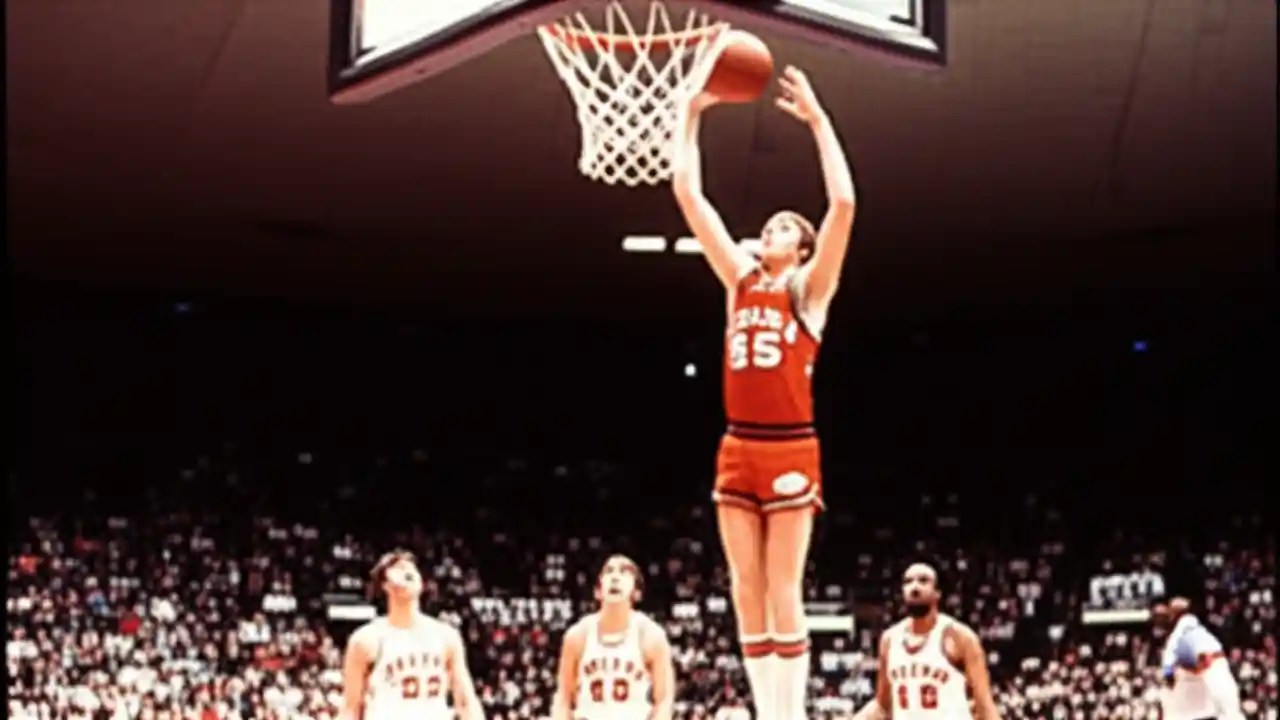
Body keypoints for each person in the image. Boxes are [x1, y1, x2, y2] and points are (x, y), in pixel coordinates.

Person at [670, 65, 857, 720]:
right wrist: (690, 114)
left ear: (801, 248)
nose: (770, 228)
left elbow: (844, 206)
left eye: (784, 226)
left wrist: (817, 122)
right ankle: (764, 713)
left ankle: (790, 714)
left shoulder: (809, 292)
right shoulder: (740, 282)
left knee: (783, 587)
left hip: (789, 449)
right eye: (771, 224)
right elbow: (689, 196)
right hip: (737, 445)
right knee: (745, 588)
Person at [339, 550, 485, 720]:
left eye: (411, 569)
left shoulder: (446, 636)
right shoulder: (365, 639)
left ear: (421, 583)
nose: (407, 572)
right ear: (385, 584)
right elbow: (351, 708)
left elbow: (465, 701)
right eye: (399, 569)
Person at [852, 562, 1000, 720]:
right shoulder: (889, 639)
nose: (914, 587)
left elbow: (984, 704)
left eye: (923, 581)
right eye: (908, 581)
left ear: (937, 592)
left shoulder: (960, 636)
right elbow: (882, 705)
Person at [551, 554, 676, 720]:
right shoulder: (577, 636)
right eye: (609, 571)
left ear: (637, 593)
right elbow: (563, 699)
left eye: (624, 572)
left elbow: (664, 701)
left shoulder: (651, 636)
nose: (615, 577)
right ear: (597, 591)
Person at [1151, 597, 1245, 720]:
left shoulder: (1180, 632)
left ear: (1173, 615)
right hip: (1211, 668)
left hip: (1210, 668)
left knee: (1228, 713)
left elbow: (1168, 667)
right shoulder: (1197, 628)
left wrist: (1168, 674)